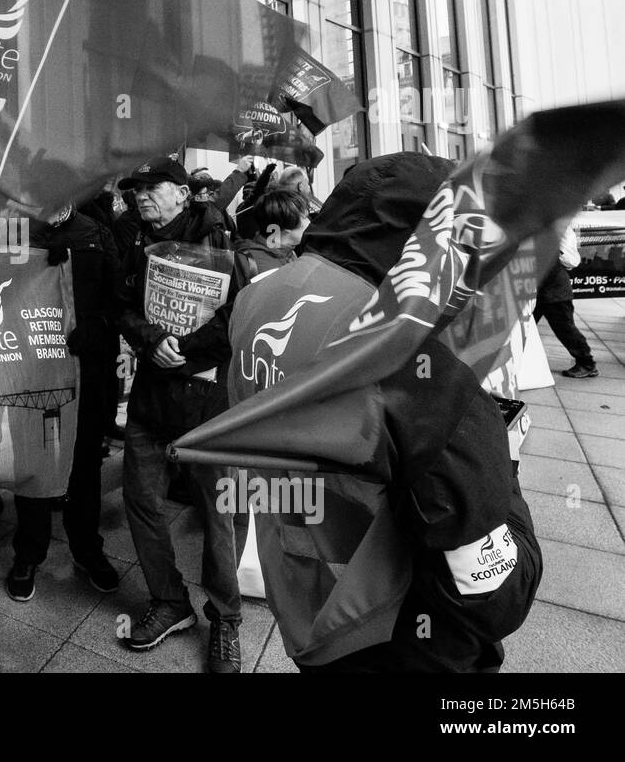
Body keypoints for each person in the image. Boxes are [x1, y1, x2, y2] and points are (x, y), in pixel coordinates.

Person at [226, 153, 542, 671]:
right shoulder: (422, 364)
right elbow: (497, 596)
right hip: (398, 633)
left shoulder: (261, 295)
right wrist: (503, 466)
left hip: (301, 586)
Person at [114, 154, 244, 672]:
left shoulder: (217, 233)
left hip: (207, 397)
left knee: (217, 512)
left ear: (183, 193)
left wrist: (185, 349)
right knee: (141, 499)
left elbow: (238, 313)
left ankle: (227, 619)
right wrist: (151, 341)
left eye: (153, 187)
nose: (141, 196)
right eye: (134, 189)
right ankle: (169, 602)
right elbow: (120, 305)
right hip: (151, 392)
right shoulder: (132, 237)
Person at [5, 202, 121, 602]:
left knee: (84, 463)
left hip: (84, 372)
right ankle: (28, 554)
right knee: (33, 460)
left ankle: (87, 550)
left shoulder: (96, 232)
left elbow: (117, 296)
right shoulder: (14, 230)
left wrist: (98, 327)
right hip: (32, 371)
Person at [534, 224, 597, 378]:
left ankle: (586, 363)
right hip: (543, 292)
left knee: (565, 329)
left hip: (555, 293)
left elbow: (568, 260)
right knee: (525, 328)